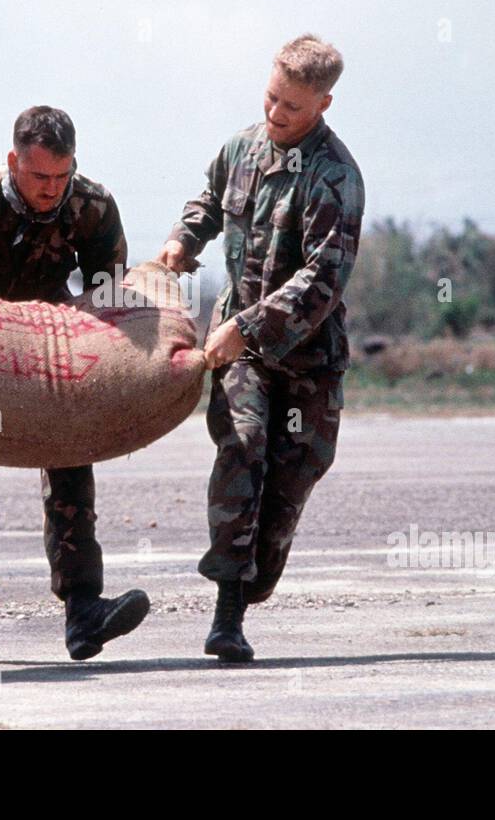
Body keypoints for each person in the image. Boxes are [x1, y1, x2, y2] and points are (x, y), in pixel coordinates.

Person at [157, 34, 364, 662]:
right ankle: (226, 614)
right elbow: (209, 200)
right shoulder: (240, 148)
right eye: (272, 99)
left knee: (292, 479)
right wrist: (182, 239)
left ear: (324, 104)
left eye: (292, 108)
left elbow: (322, 280)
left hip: (306, 357)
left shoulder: (337, 178)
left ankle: (253, 581)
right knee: (243, 449)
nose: (276, 115)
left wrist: (246, 325)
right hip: (241, 353)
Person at [0, 106, 150, 662]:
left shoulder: (91, 207)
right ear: (12, 162)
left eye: (61, 177)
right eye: (39, 177)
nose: (51, 190)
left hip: (46, 348)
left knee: (73, 467)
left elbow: (107, 301)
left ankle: (83, 613)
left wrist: (105, 375)